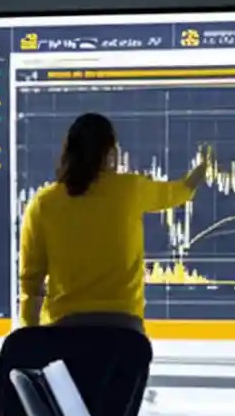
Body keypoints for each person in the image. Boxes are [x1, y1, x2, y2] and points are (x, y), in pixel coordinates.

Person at [18, 112, 210, 333]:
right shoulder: (131, 189)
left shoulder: (44, 203)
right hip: (125, 333)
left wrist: (31, 338)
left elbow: (31, 283)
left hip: (65, 332)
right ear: (110, 153)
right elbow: (179, 192)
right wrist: (204, 167)